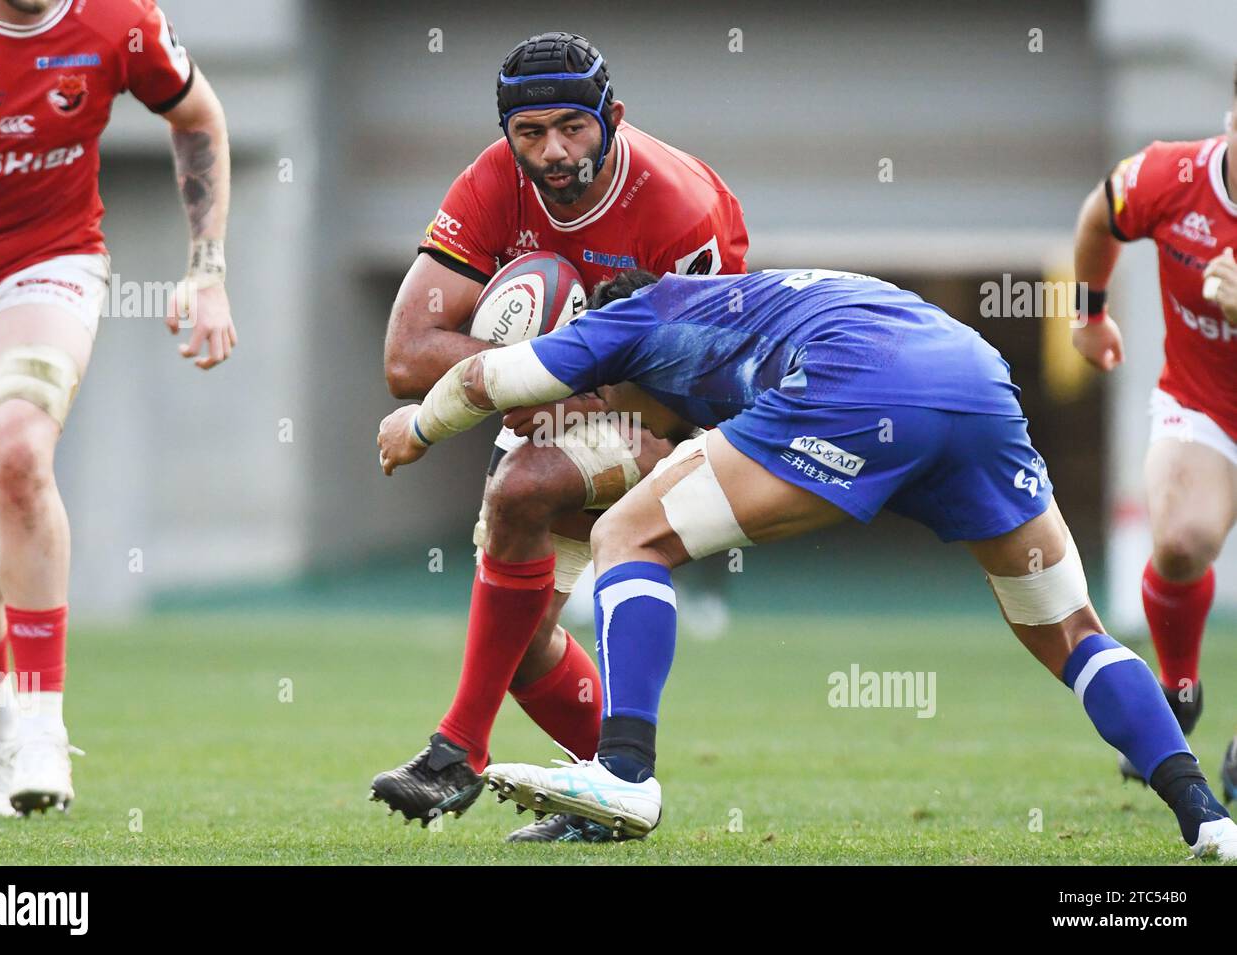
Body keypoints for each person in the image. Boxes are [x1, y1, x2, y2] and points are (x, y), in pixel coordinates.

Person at [377, 267, 1237, 860]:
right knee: (1071, 633)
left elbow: (498, 375)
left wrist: (415, 427)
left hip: (861, 383)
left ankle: (627, 775)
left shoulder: (629, 320)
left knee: (628, 537)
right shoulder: (756, 297)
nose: (614, 418)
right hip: (976, 384)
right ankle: (1204, 816)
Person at [372, 31, 747, 841]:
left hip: (669, 411)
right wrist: (548, 364)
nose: (553, 152)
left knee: (523, 484)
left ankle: (456, 750)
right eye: (530, 133)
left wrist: (546, 374)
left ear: (611, 116)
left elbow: (698, 388)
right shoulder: (490, 180)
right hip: (566, 393)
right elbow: (407, 354)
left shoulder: (679, 206)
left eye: (573, 128)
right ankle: (612, 795)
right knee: (528, 641)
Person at [0, 0, 236, 815]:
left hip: (47, 264)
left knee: (20, 454)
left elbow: (200, 115)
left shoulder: (122, 22)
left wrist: (206, 268)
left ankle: (40, 723)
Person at [1071, 66, 1237, 792]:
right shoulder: (1169, 176)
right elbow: (1097, 218)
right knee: (1177, 542)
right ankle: (1176, 690)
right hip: (1203, 405)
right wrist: (1089, 314)